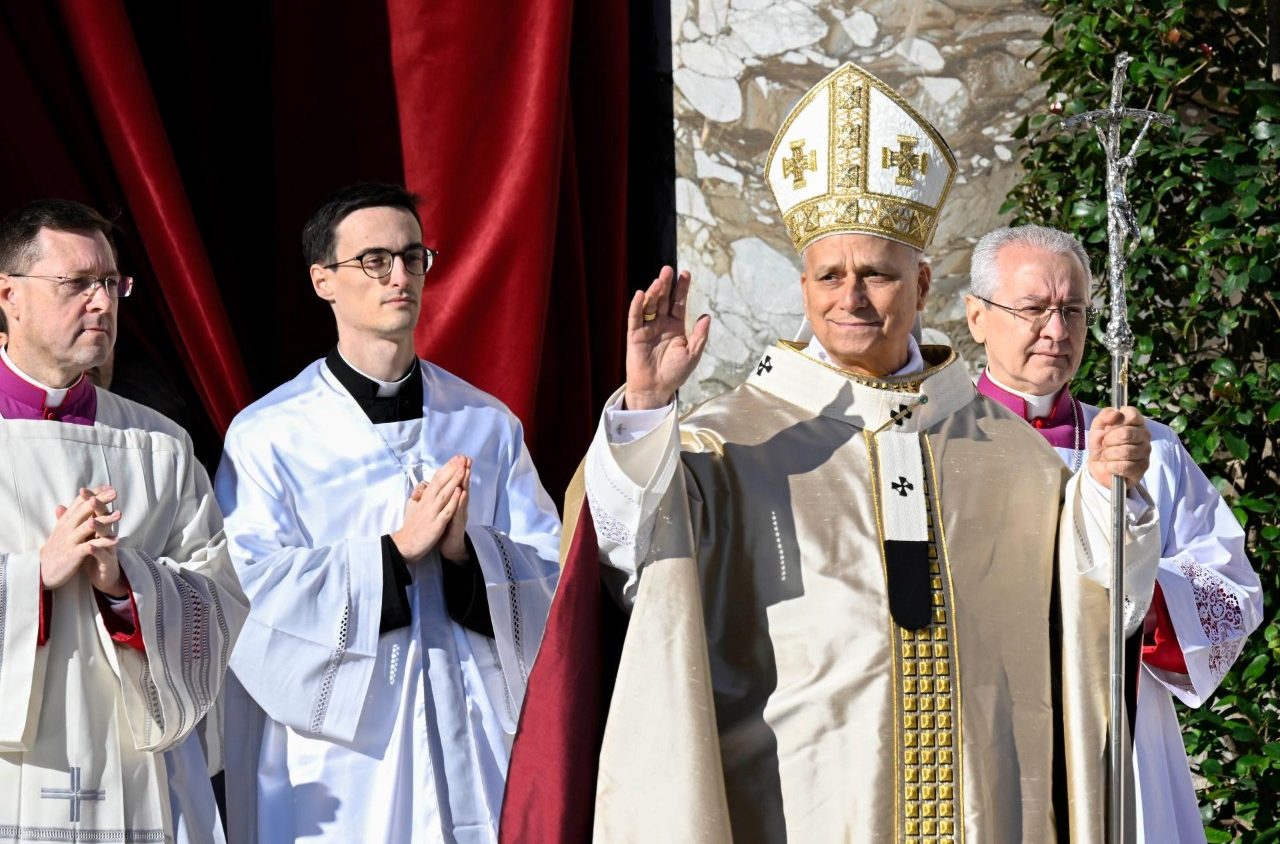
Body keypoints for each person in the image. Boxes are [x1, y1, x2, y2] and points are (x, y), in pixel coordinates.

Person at [503, 63, 1161, 843]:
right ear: (804, 284)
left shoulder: (1011, 455)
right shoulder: (730, 441)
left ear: (920, 284)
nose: (850, 297)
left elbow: (1100, 608)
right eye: (830, 275)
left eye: (876, 275)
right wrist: (646, 410)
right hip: (794, 811)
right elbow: (626, 563)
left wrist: (1110, 497)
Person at [215, 183, 561, 843]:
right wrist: (393, 554)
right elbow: (244, 591)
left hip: (472, 724)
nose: (399, 276)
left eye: (413, 257)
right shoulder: (270, 434)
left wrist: (467, 556)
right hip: (345, 748)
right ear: (324, 280)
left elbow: (548, 571)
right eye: (374, 261)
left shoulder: (485, 424)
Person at [965, 224, 1264, 843]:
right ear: (976, 317)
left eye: (1072, 310)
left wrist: (1142, 593)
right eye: (1033, 309)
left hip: (1124, 740)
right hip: (983, 736)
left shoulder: (1147, 445)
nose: (1057, 330)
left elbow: (1235, 593)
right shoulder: (936, 446)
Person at [0, 198, 247, 842]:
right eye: (77, 283)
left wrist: (128, 587)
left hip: (140, 767)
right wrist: (33, 577)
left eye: (111, 283)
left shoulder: (160, 445)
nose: (103, 303)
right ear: (9, 295)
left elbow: (222, 606)